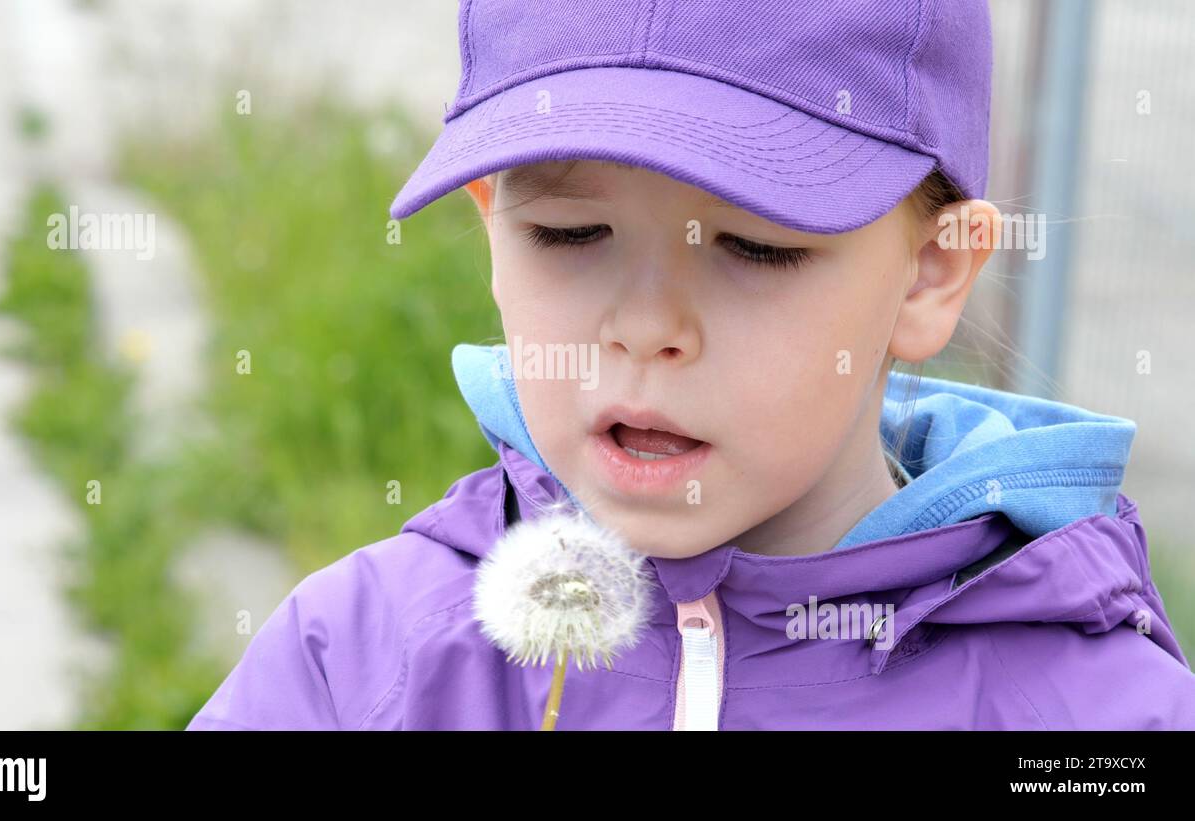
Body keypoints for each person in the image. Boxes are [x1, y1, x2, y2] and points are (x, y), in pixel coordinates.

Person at [186, 0, 1195, 730]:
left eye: (754, 248)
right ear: (493, 232)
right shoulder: (363, 657)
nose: (645, 326)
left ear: (930, 272)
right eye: (573, 234)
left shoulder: (1099, 714)